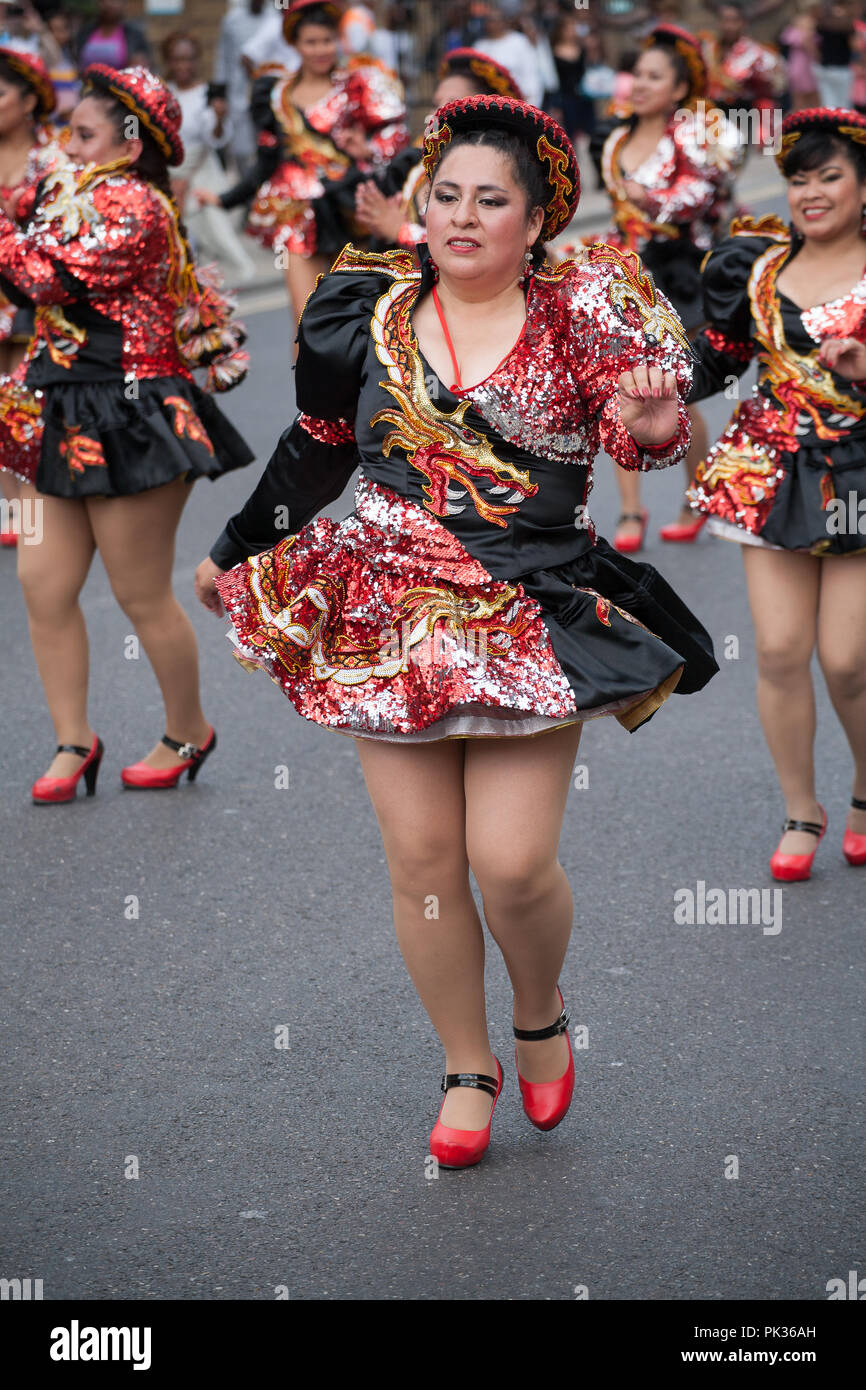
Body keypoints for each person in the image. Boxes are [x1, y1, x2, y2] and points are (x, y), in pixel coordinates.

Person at [193, 95, 718, 1168]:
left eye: (491, 200)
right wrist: (237, 545)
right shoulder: (365, 309)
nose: (464, 216)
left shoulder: (582, 312)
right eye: (446, 197)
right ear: (418, 210)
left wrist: (658, 427)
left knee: (512, 862)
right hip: (386, 602)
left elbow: (641, 426)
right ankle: (464, 1060)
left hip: (531, 601)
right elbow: (319, 444)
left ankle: (537, 1008)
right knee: (425, 859)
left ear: (534, 221)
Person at [0, 64, 254, 802]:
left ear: (129, 139)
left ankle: (187, 729)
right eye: (68, 132)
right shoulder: (56, 191)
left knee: (140, 593)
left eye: (83, 134)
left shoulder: (138, 207)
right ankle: (73, 740)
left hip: (132, 409)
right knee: (41, 585)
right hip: (53, 404)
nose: (68, 146)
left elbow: (49, 279)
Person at [686, 108, 866, 879]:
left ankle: (863, 791)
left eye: (830, 177)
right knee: (782, 650)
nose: (812, 192)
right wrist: (656, 387)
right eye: (800, 179)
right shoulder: (753, 271)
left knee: (848, 658)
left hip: (858, 471)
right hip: (767, 471)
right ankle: (803, 808)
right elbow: (715, 360)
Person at [595, 23, 741, 553]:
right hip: (624, 278)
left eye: (655, 76)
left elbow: (700, 196)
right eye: (637, 73)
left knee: (676, 390)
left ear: (679, 88)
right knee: (617, 389)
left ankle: (695, 495)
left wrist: (650, 200)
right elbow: (617, 214)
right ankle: (632, 508)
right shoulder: (612, 141)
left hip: (679, 278)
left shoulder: (694, 135)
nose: (640, 84)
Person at [197, 0, 408, 352]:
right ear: (295, 44)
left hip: (351, 212)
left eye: (327, 40)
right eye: (311, 42)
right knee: (306, 320)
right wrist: (225, 198)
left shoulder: (357, 85)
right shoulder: (276, 94)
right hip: (295, 215)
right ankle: (308, 405)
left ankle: (357, 400)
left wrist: (367, 150)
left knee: (357, 315)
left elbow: (394, 139)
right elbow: (266, 163)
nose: (321, 50)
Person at [345, 46, 524, 256]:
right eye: (435, 104)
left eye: (451, 104)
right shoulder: (417, 171)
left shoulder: (501, 176)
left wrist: (400, 230)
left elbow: (488, 248)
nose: (436, 114)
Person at [0, 44, 61, 546]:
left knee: (27, 397)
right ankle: (7, 505)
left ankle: (31, 504)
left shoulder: (53, 158)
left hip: (30, 298)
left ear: (28, 100)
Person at [162, 30, 255, 284]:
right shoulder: (163, 93)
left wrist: (220, 117)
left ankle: (226, 285)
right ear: (169, 61)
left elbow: (217, 138)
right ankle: (191, 285)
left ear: (196, 61)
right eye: (177, 59)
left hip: (201, 173)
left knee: (217, 232)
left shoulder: (206, 95)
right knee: (179, 238)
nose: (183, 65)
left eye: (188, 59)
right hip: (170, 176)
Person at [701, 2, 786, 149]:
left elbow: (777, 85)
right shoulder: (708, 48)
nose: (728, 26)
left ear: (743, 23)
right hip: (712, 112)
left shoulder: (755, 53)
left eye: (733, 21)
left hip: (741, 114)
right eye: (724, 20)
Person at [213, 0, 274, 176]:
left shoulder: (274, 19)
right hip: (239, 93)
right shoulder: (232, 20)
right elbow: (223, 58)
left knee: (266, 142)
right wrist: (220, 93)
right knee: (241, 148)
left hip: (267, 93)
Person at [474, 4, 544, 109]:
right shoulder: (479, 46)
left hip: (518, 104)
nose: (491, 24)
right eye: (488, 20)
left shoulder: (519, 41)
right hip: (489, 106)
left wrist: (532, 104)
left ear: (504, 22)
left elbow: (531, 73)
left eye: (494, 20)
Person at [76, 0, 150, 72]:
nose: (109, 4)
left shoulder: (134, 35)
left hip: (121, 83)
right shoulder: (85, 32)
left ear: (124, 4)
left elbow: (142, 66)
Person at [781, 2, 822, 112]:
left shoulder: (815, 32)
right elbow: (790, 40)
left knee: (815, 101)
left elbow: (816, 53)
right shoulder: (794, 32)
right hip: (798, 69)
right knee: (799, 102)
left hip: (811, 69)